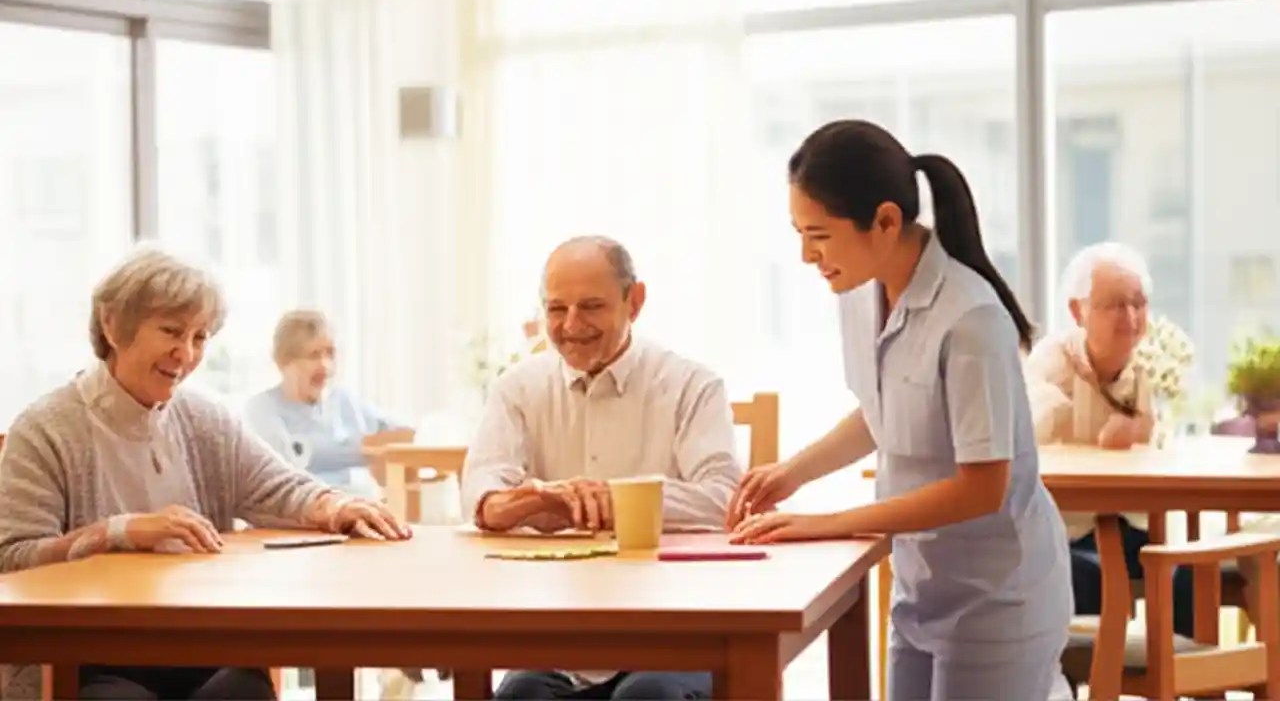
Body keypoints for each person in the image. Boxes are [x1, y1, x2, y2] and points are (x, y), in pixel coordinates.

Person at [726, 120, 1071, 701]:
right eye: (798, 233)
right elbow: (882, 411)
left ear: (885, 220)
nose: (807, 255)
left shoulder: (970, 318)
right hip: (921, 587)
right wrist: (791, 474)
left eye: (819, 235)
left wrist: (830, 523)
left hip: (997, 599)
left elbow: (982, 487)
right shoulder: (860, 292)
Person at [0, 247, 410, 701]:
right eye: (172, 331)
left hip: (198, 643)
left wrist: (336, 506)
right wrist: (120, 532)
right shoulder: (45, 429)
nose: (187, 353)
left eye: (200, 336)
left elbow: (278, 486)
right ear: (113, 324)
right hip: (84, 657)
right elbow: (11, 558)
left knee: (243, 691)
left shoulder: (203, 419)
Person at [462, 236, 741, 700]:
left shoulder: (693, 385)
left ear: (636, 301)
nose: (572, 325)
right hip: (559, 638)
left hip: (677, 634)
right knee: (520, 696)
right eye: (556, 309)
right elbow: (481, 494)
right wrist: (539, 498)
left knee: (646, 697)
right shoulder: (517, 388)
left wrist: (612, 499)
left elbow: (723, 499)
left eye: (591, 306)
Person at [1024, 242, 1196, 639]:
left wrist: (1138, 431)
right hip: (1069, 530)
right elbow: (1027, 446)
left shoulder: (1149, 365)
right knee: (1083, 575)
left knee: (1188, 576)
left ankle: (1181, 684)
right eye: (1115, 305)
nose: (1132, 318)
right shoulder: (1052, 362)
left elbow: (1160, 442)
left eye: (1139, 303)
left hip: (1136, 524)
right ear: (1076, 311)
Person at [244, 310, 413, 499]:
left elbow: (405, 432)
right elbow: (289, 466)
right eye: (313, 355)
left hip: (356, 506)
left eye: (330, 353)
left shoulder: (344, 401)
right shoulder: (262, 409)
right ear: (284, 362)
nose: (325, 365)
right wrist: (363, 451)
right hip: (301, 510)